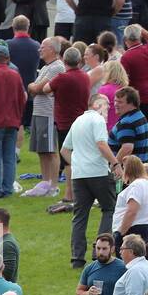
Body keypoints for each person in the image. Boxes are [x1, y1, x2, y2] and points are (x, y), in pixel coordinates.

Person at [64, 93, 121, 269]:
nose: (108, 110)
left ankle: (77, 258)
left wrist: (78, 162)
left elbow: (64, 150)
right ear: (97, 105)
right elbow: (102, 144)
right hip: (98, 172)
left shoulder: (77, 121)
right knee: (109, 209)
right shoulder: (97, 120)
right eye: (106, 106)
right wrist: (115, 163)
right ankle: (100, 253)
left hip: (79, 175)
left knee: (80, 215)